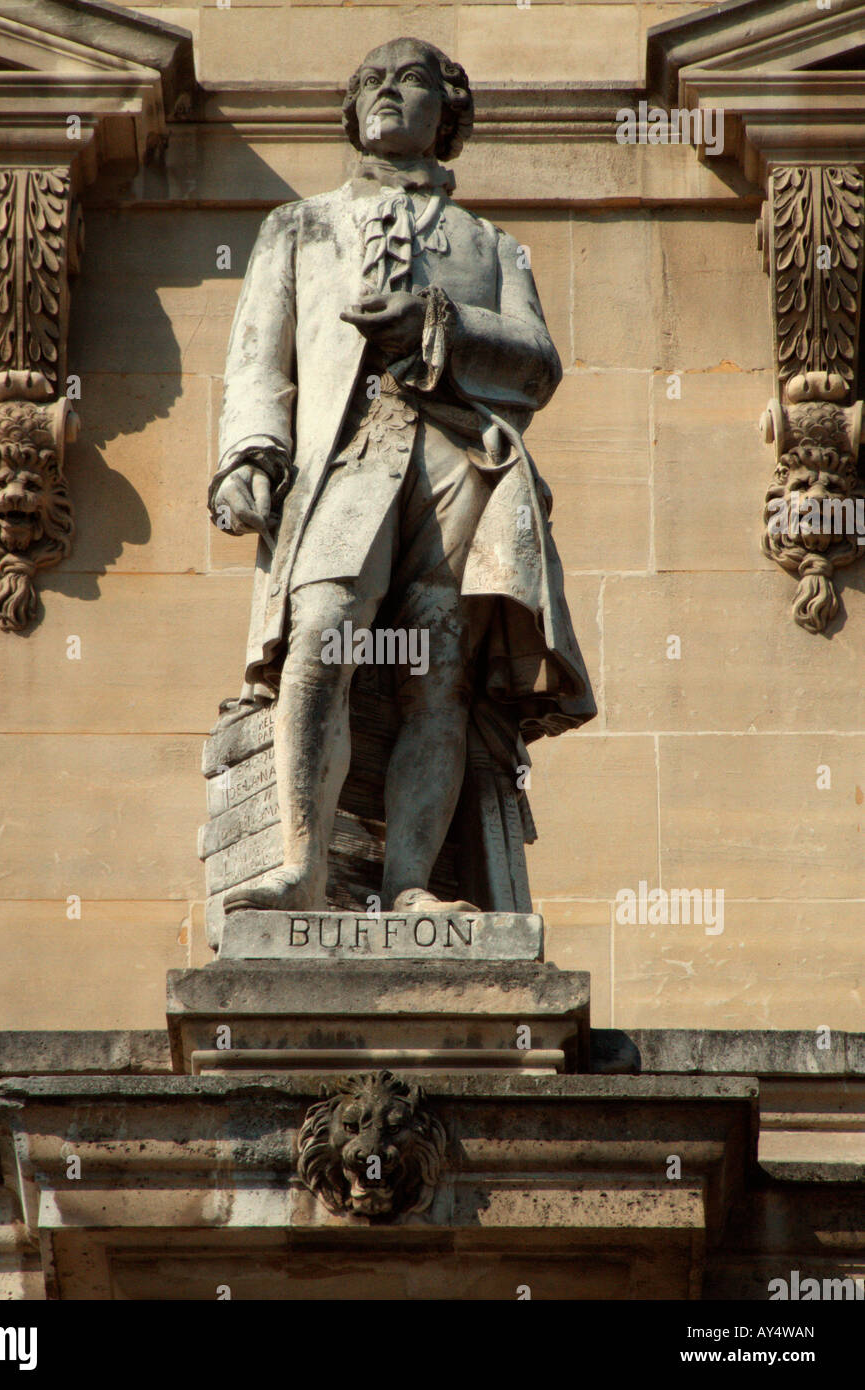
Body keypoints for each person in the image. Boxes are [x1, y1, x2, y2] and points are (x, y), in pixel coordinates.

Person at [209, 37, 595, 913]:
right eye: (370, 83)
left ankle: (413, 883)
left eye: (410, 80)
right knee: (318, 643)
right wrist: (248, 455)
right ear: (350, 112)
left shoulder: (491, 243)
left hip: (456, 458)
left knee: (439, 671)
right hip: (345, 456)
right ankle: (303, 869)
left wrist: (439, 323)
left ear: (447, 112)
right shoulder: (298, 225)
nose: (387, 93)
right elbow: (257, 362)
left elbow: (537, 366)